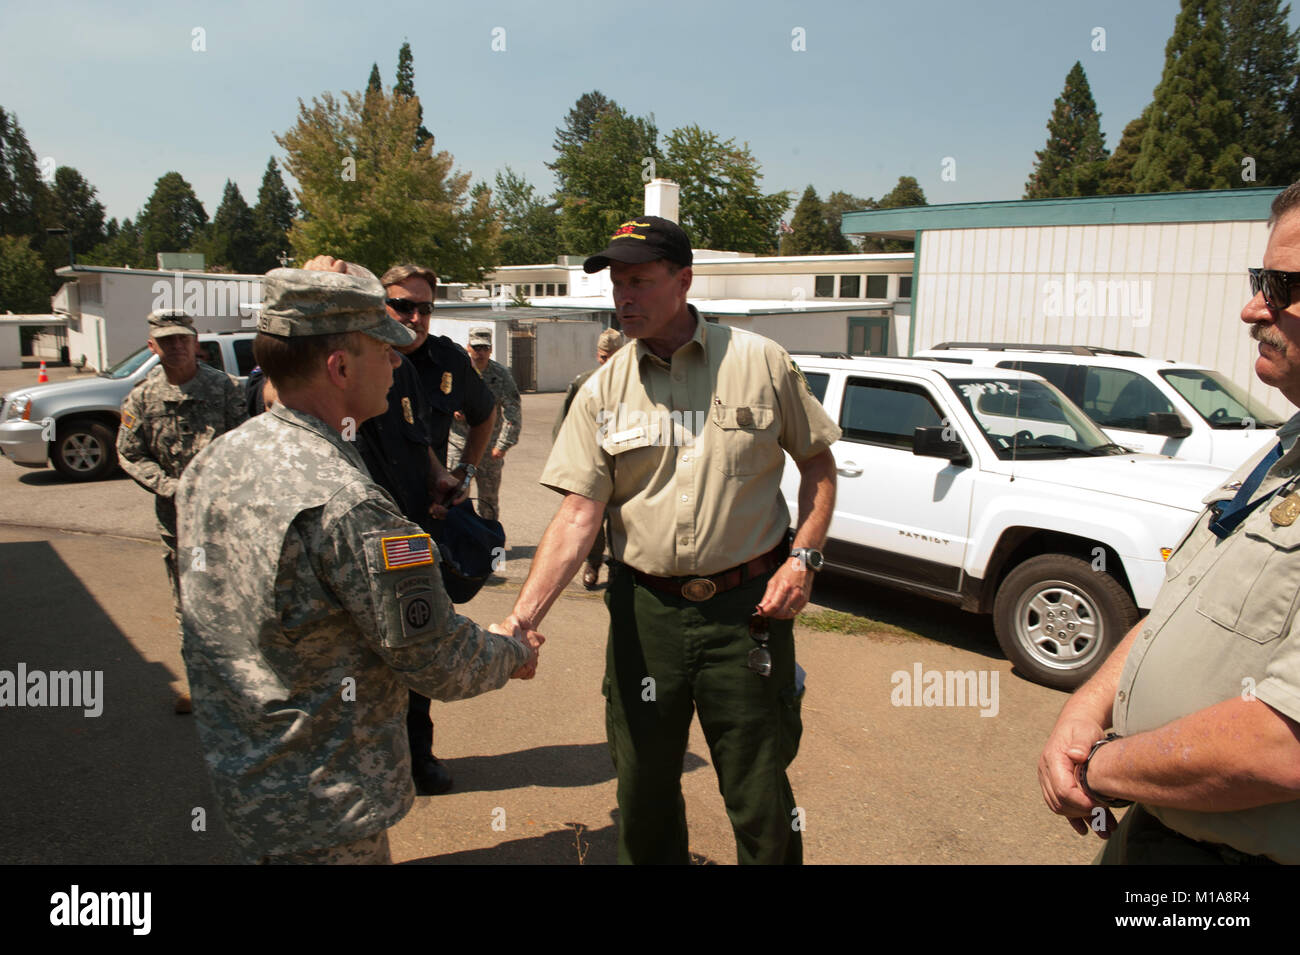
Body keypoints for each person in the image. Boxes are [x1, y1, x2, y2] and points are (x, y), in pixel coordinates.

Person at [175, 267, 541, 864]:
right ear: (340, 367)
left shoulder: (216, 463)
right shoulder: (349, 504)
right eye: (383, 350)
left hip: (249, 787)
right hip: (328, 810)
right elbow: (438, 659)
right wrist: (512, 651)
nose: (398, 363)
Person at [504, 216, 840, 864]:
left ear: (683, 281)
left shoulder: (760, 362)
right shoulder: (603, 391)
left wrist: (804, 558)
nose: (623, 297)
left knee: (760, 792)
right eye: (616, 284)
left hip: (747, 616)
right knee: (645, 792)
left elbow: (818, 465)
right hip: (645, 616)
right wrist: (523, 620)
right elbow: (578, 514)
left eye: (639, 281)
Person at [1038, 183, 1300, 864]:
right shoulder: (1282, 450)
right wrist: (1086, 709)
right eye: (1257, 280)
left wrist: (1101, 766)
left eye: (1282, 285)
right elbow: (1181, 609)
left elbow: (1282, 745)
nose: (1252, 308)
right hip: (1160, 831)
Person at [382, 263, 499, 796]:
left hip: (422, 524)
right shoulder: (361, 354)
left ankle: (417, 753)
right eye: (403, 305)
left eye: (425, 307)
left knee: (418, 633)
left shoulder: (447, 359)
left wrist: (464, 474)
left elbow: (485, 414)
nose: (416, 317)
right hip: (361, 521)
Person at [116, 309, 246, 714]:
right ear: (152, 346)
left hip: (223, 518)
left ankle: (242, 684)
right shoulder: (141, 396)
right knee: (188, 604)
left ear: (196, 343)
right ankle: (200, 684)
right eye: (167, 341)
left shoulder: (224, 387)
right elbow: (130, 452)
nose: (176, 347)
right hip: (176, 521)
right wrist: (170, 487)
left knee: (235, 598)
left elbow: (244, 444)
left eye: (182, 340)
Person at [551, 327, 625, 588]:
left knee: (625, 520)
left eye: (614, 357)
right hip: (592, 462)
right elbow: (564, 424)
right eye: (604, 357)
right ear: (598, 356)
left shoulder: (638, 382)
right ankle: (593, 562)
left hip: (627, 464)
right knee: (591, 518)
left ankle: (620, 568)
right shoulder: (584, 383)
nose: (609, 363)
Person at [447, 326, 522, 523]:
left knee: (488, 500)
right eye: (476, 347)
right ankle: (458, 542)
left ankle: (489, 543)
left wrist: (504, 444)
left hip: (489, 449)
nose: (480, 353)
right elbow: (438, 399)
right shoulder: (457, 371)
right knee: (454, 494)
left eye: (485, 348)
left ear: (490, 350)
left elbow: (513, 409)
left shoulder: (501, 375)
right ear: (468, 347)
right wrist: (451, 408)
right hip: (459, 445)